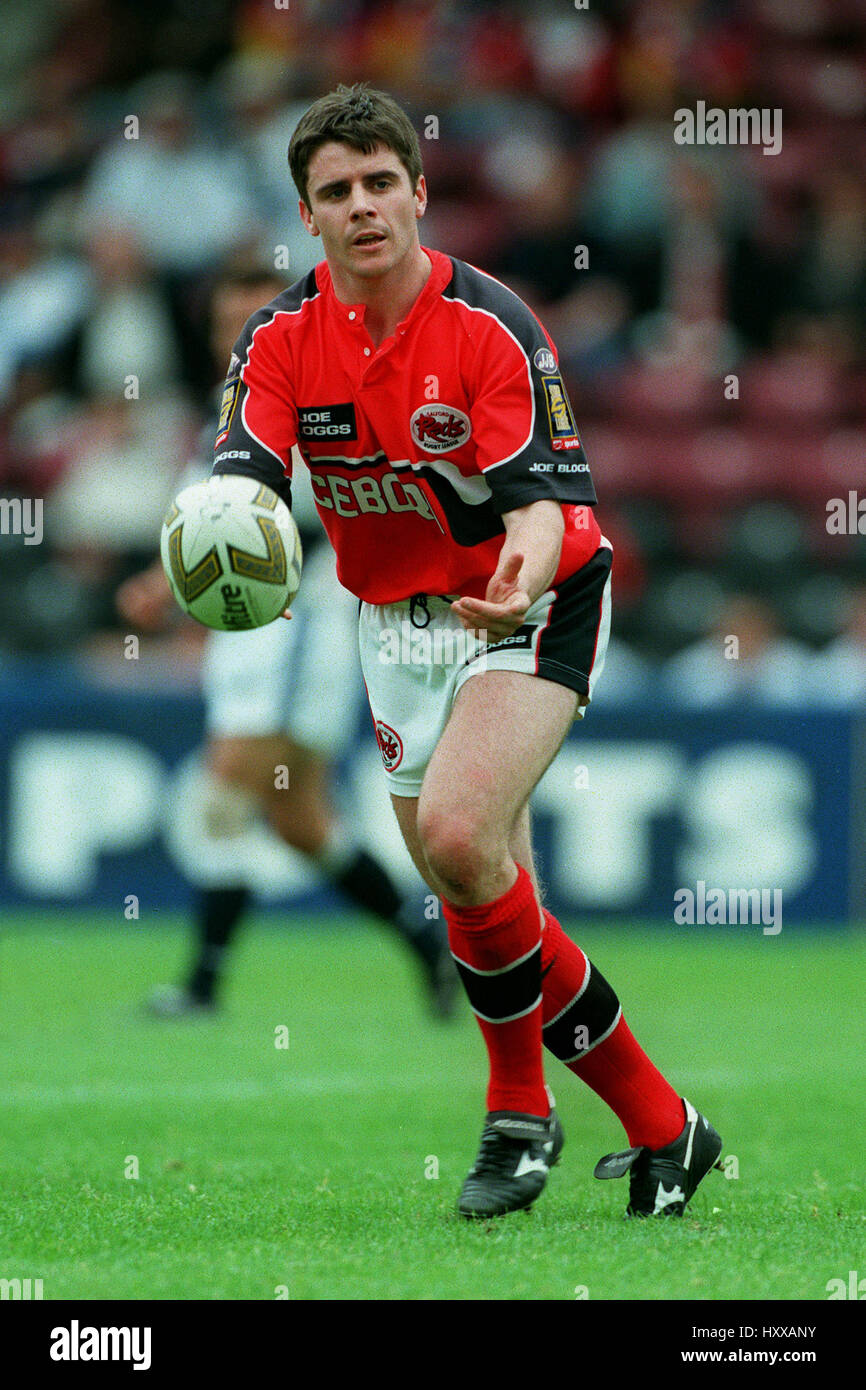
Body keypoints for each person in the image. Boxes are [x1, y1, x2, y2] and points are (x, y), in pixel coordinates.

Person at [211, 84, 722, 1219]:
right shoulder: (280, 338)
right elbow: (238, 475)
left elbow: (544, 504)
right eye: (334, 192)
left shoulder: (492, 324)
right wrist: (229, 555)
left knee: (453, 835)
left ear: (419, 193)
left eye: (379, 183)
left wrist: (522, 572)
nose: (361, 207)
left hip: (525, 599)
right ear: (307, 215)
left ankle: (516, 1115)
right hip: (392, 625)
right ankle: (664, 1127)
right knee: (476, 888)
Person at [118, 263, 458, 1019]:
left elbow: (284, 513)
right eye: (228, 322)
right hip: (253, 616)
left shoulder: (313, 391)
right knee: (299, 819)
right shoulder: (227, 404)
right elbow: (209, 515)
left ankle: (202, 985)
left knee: (227, 781)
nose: (243, 337)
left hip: (301, 608)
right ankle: (428, 946)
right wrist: (162, 579)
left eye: (255, 320)